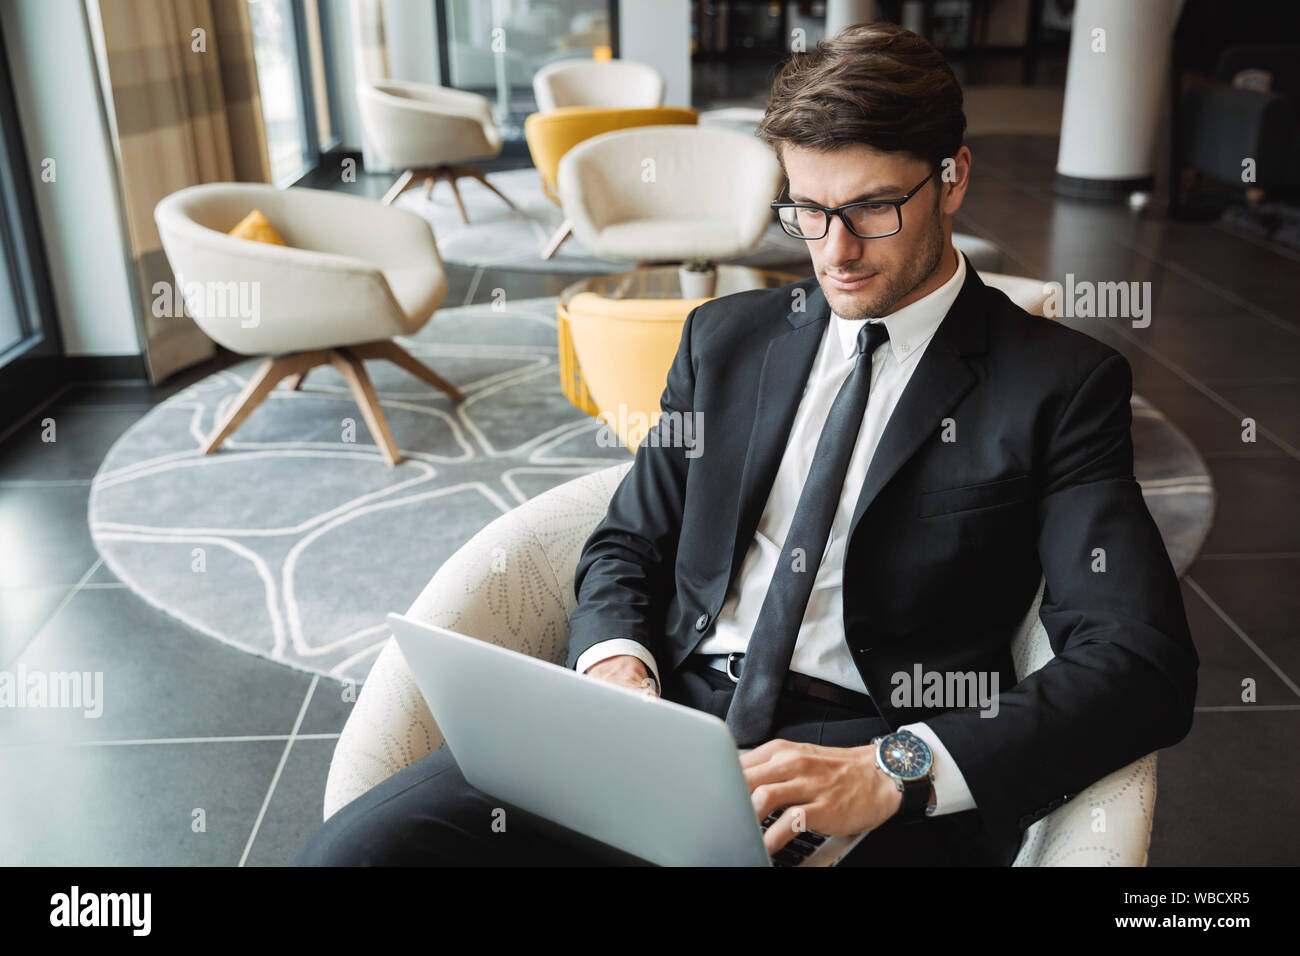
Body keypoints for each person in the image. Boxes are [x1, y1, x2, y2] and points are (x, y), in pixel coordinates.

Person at [294, 21, 1197, 867]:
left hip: (868, 743)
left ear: (953, 177)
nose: (835, 250)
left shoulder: (1060, 382)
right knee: (359, 852)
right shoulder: (724, 341)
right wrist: (616, 667)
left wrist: (897, 769)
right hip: (672, 720)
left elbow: (1139, 661)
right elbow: (626, 543)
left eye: (874, 208)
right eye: (806, 210)